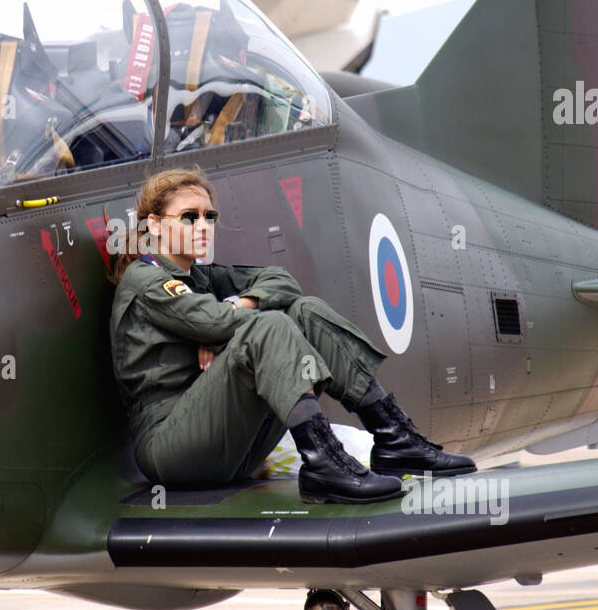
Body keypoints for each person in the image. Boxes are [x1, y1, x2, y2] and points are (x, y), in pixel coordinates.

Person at [108, 167, 475, 505]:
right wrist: (226, 328)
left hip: (226, 443)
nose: (203, 225)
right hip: (171, 448)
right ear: (154, 225)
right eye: (189, 217)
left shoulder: (203, 279)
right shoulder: (146, 280)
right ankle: (322, 463)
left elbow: (283, 281)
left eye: (209, 216)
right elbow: (216, 324)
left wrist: (234, 308)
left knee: (304, 311)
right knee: (271, 324)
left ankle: (394, 436)